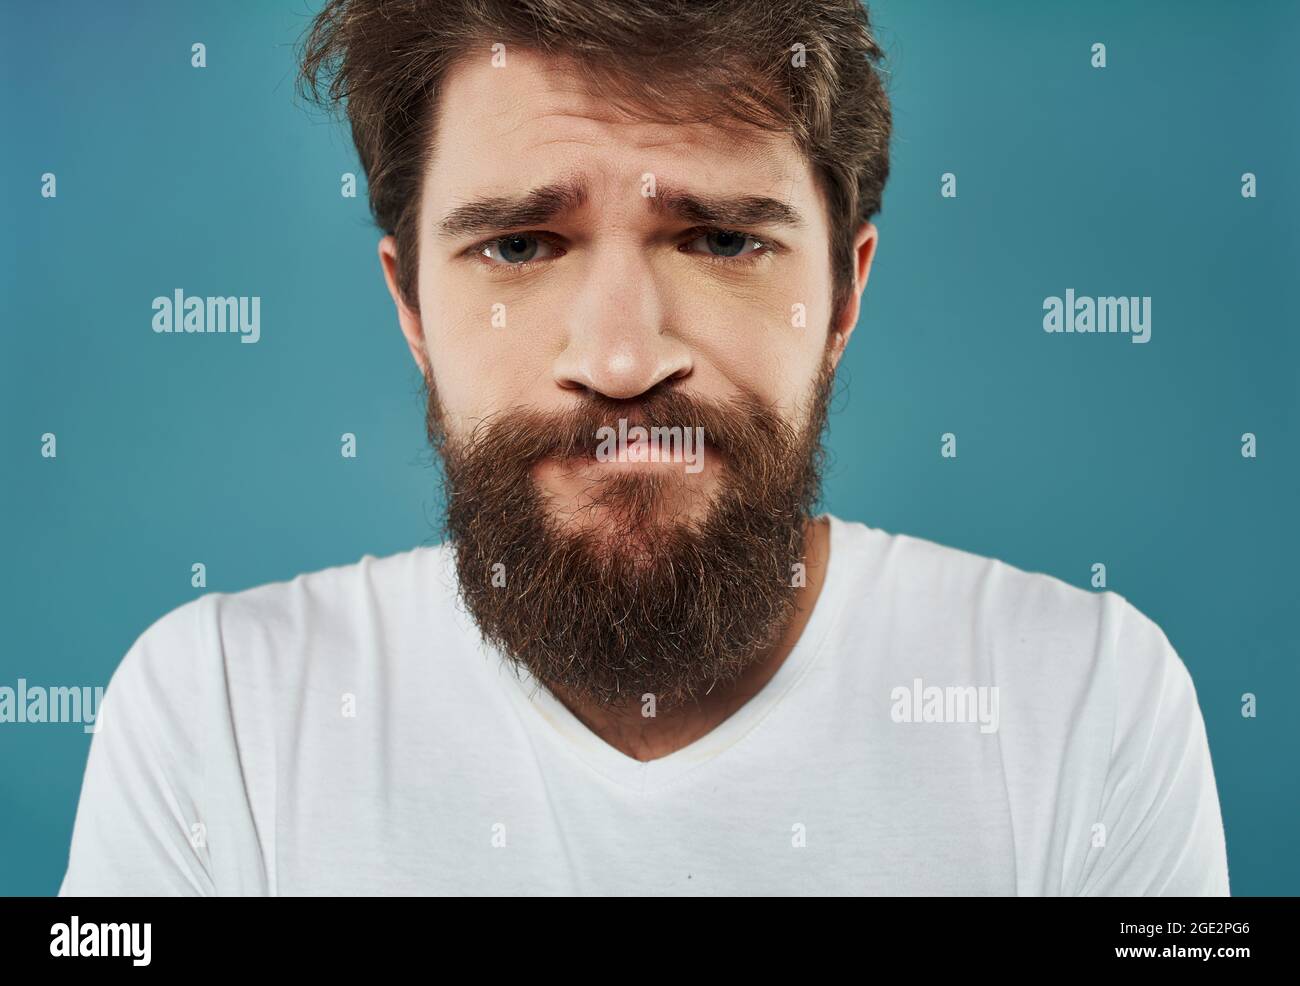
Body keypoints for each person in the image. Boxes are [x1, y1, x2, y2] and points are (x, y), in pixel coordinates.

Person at [59, 0, 1229, 895]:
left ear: (842, 295)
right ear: (409, 304)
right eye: (520, 246)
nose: (621, 360)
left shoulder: (1089, 700)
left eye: (719, 238)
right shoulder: (213, 714)